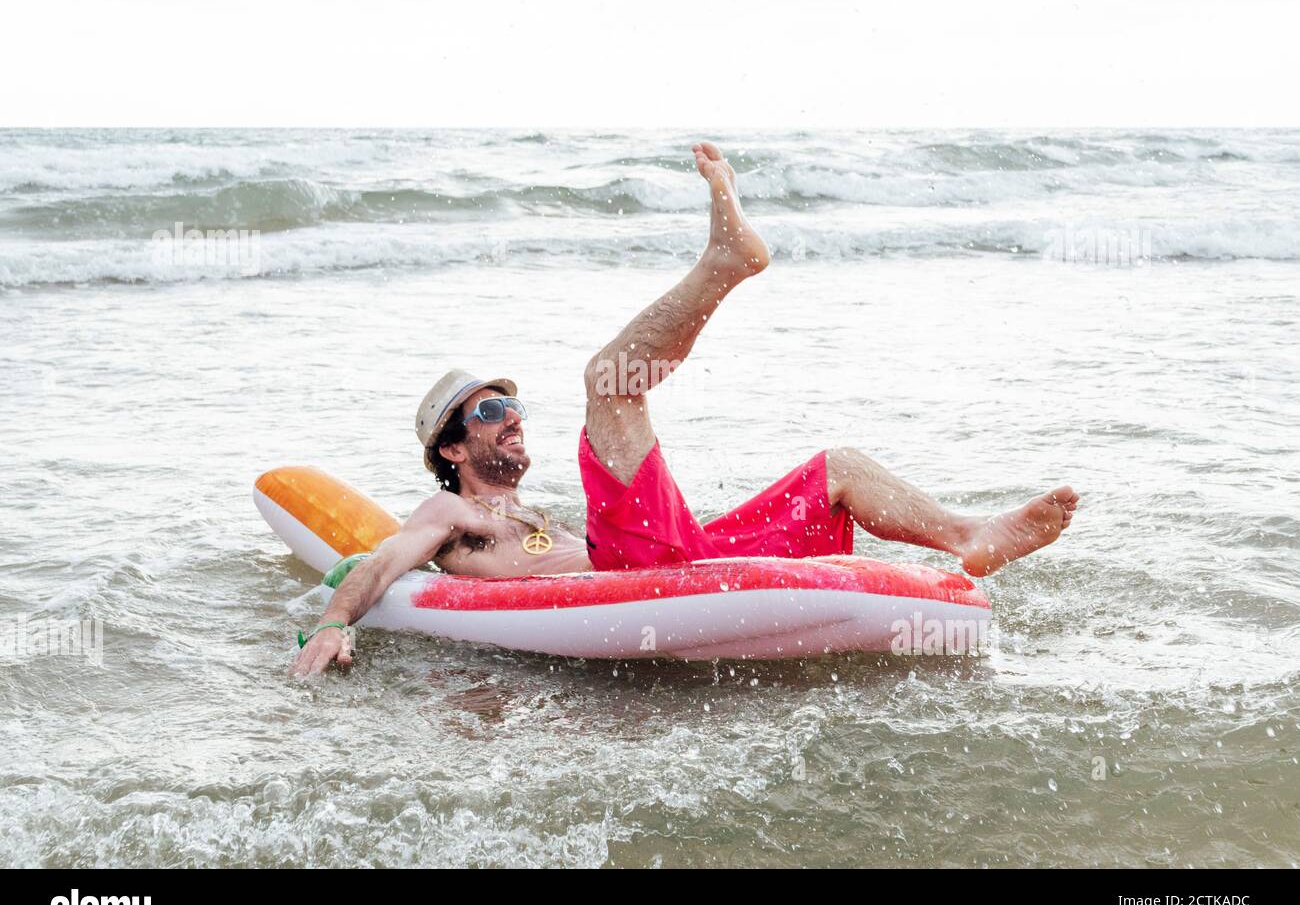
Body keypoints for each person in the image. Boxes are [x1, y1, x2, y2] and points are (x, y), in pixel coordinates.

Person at [289, 142, 1078, 676]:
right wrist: (335, 621)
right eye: (489, 408)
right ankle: (724, 263)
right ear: (453, 449)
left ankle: (970, 534)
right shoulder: (448, 510)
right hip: (634, 572)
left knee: (837, 469)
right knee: (608, 382)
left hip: (675, 558)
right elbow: (383, 562)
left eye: (512, 400)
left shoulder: (536, 511)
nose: (511, 414)